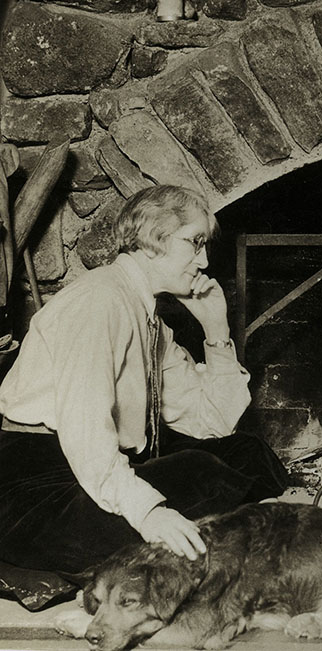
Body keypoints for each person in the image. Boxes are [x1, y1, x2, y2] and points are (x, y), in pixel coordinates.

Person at [0, 185, 289, 599]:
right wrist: (150, 512)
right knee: (202, 471)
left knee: (247, 451)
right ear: (153, 239)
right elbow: (85, 433)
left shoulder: (149, 319)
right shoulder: (100, 300)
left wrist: (217, 332)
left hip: (88, 471)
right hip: (31, 492)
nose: (204, 261)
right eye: (195, 243)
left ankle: (199, 546)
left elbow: (213, 422)